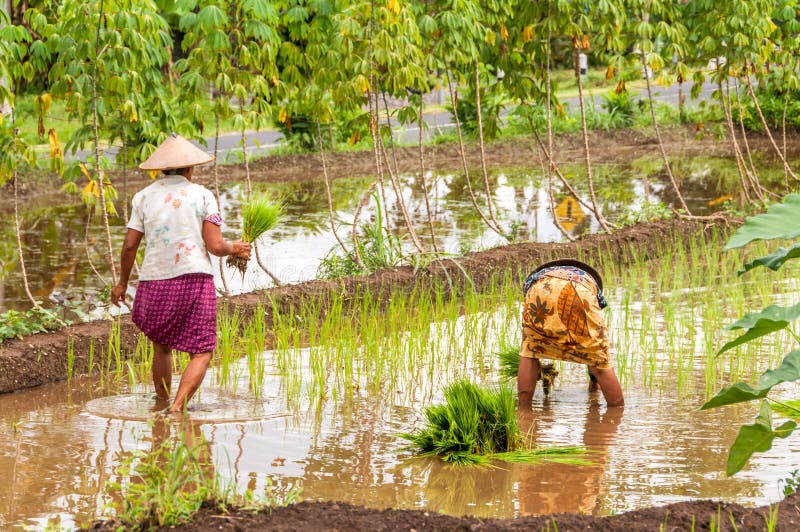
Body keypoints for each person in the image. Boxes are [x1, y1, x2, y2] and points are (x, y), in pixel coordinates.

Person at [110, 133, 251, 413]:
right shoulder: (201, 195)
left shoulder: (143, 197)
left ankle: (161, 403)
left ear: (161, 168)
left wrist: (122, 284)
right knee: (202, 350)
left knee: (161, 347)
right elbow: (215, 246)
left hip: (154, 282)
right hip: (194, 279)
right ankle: (177, 407)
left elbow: (129, 247)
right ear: (190, 168)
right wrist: (235, 247)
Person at [517, 259, 624, 407]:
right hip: (579, 292)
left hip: (538, 289)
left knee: (530, 349)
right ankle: (616, 413)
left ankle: (523, 411)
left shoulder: (543, 274)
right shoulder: (587, 280)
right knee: (599, 361)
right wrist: (595, 382)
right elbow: (590, 352)